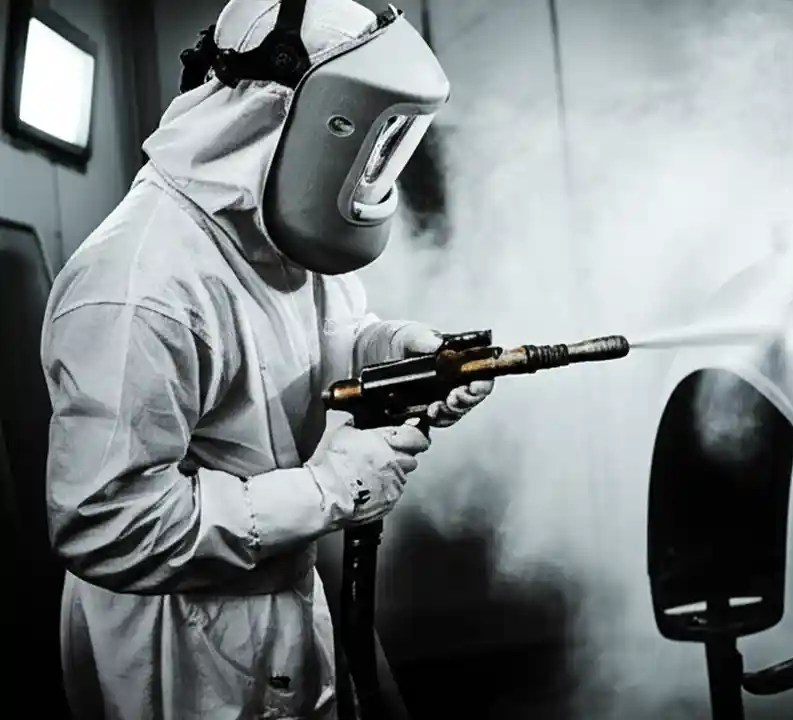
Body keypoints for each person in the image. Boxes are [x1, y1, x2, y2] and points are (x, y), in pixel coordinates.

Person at [39, 1, 487, 717]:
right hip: (176, 645)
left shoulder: (281, 225)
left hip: (275, 600)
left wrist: (389, 353)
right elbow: (107, 524)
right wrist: (330, 489)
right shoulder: (138, 284)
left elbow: (315, 343)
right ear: (295, 116)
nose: (368, 165)